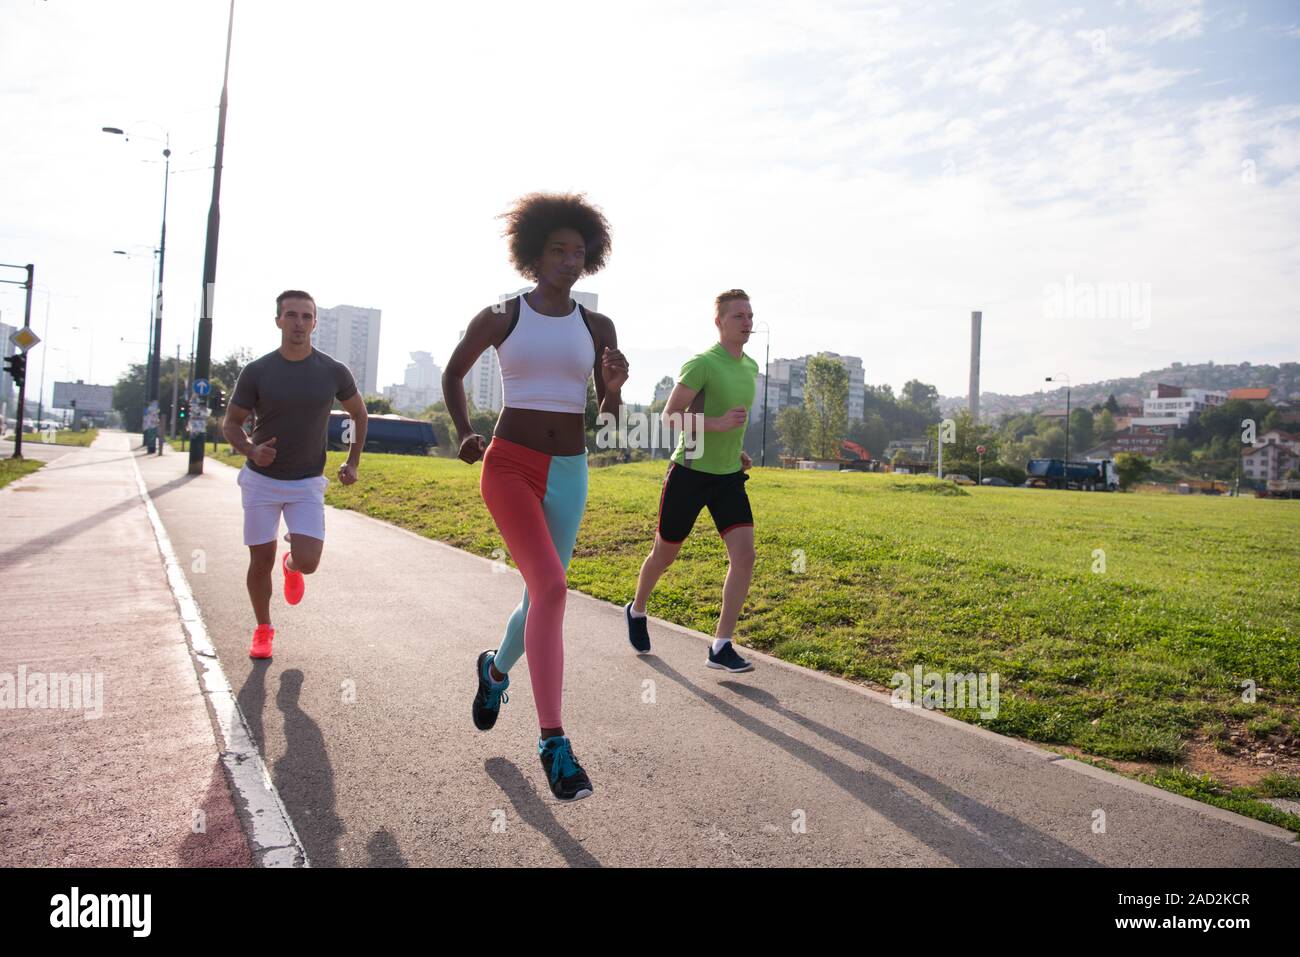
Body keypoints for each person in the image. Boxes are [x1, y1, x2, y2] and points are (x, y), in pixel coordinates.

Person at [443, 193, 627, 802]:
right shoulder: (503, 315)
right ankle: (554, 743)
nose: (569, 260)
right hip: (510, 467)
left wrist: (614, 388)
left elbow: (608, 417)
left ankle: (495, 672)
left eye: (579, 252)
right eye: (558, 250)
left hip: (571, 470)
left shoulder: (598, 328)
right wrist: (464, 431)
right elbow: (453, 374)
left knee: (539, 595)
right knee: (551, 588)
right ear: (534, 253)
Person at [223, 290, 369, 660]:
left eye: (307, 316)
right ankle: (263, 629)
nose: (299, 323)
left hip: (306, 482)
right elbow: (231, 423)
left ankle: (292, 566)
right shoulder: (257, 371)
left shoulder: (333, 371)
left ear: (315, 323)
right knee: (260, 560)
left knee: (309, 561)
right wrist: (251, 450)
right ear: (278, 321)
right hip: (261, 479)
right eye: (291, 315)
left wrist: (353, 463)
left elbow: (359, 414)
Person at [624, 289, 758, 673]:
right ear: (719, 322)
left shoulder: (750, 367)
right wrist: (716, 426)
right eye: (738, 317)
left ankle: (721, 645)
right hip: (689, 474)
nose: (747, 323)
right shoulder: (702, 364)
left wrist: (736, 451)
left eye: (750, 316)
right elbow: (669, 417)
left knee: (744, 556)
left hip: (728, 477)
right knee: (664, 555)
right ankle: (637, 609)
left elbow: (732, 423)